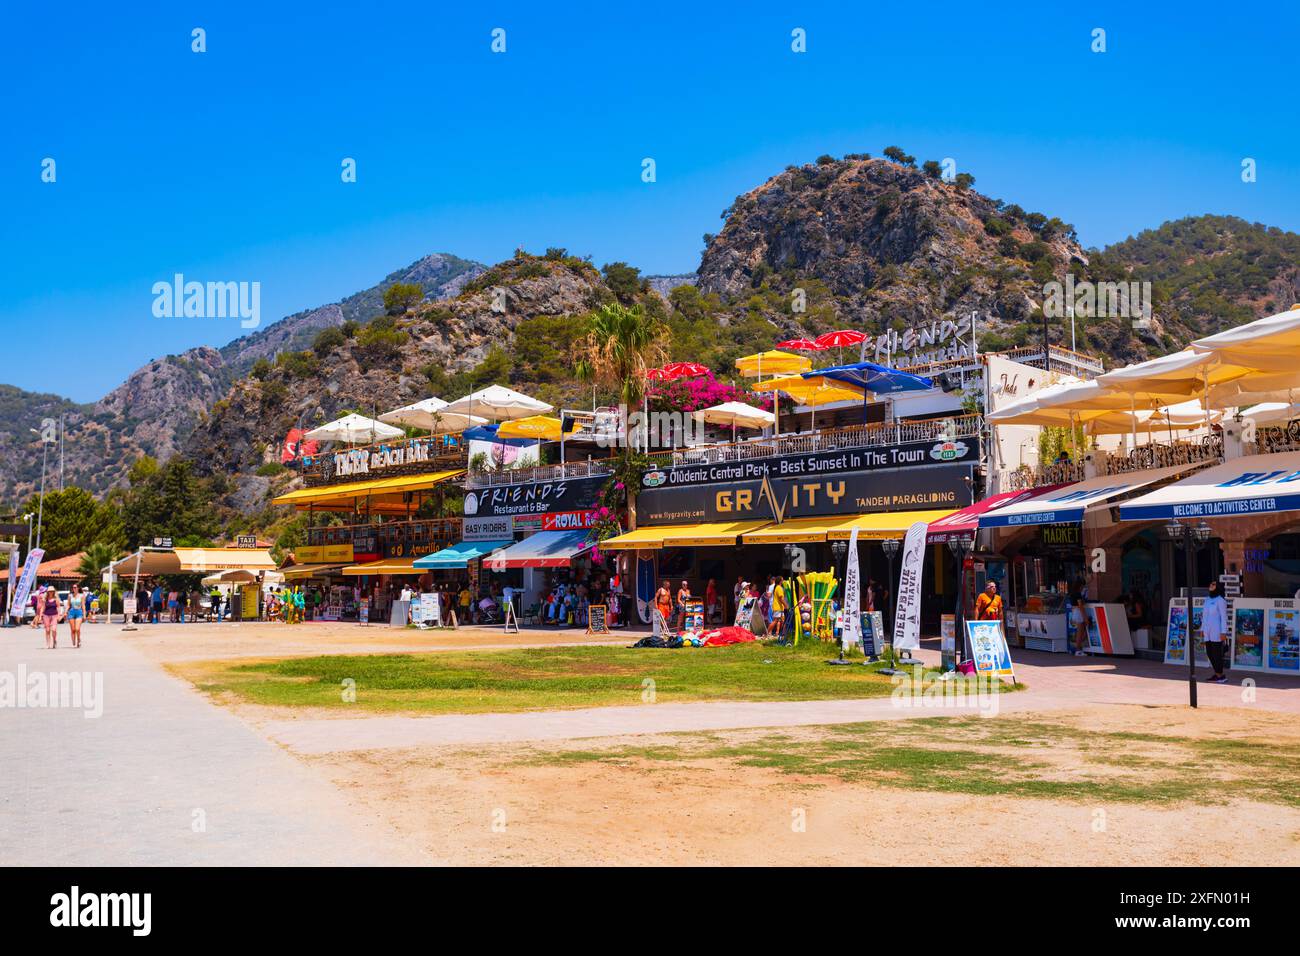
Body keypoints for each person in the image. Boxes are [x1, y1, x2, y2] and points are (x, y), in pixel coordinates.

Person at [1201, 581, 1229, 683]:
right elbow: (1204, 616)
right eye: (1210, 584)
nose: (1210, 586)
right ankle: (1218, 673)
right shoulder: (1207, 600)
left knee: (1217, 653)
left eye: (1213, 584)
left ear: (1218, 587)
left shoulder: (1221, 600)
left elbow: (1224, 617)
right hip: (1207, 630)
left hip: (1217, 630)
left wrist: (1224, 632)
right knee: (1209, 652)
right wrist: (1202, 629)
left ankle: (1220, 675)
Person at [65, 584, 87, 648]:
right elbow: (68, 605)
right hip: (71, 612)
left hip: (79, 612)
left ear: (78, 588)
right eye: (73, 587)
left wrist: (84, 614)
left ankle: (79, 639)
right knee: (73, 629)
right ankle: (73, 642)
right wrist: (66, 612)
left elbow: (83, 605)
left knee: (77, 629)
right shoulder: (70, 596)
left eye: (75, 587)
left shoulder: (82, 596)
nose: (73, 588)